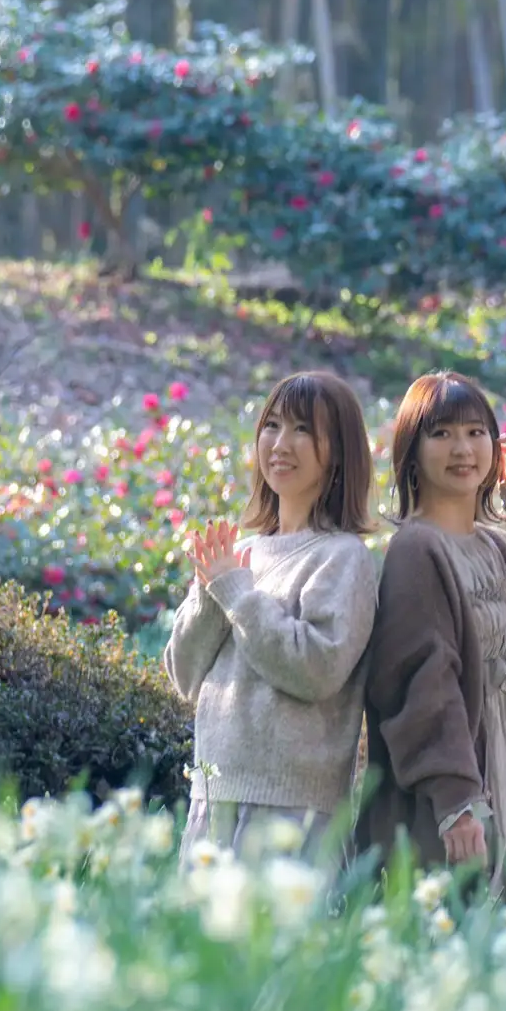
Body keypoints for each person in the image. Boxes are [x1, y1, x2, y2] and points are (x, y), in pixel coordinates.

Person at [358, 370, 506, 897]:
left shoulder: (494, 545)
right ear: (412, 450)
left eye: (475, 432)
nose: (462, 448)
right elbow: (421, 685)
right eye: (442, 433)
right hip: (467, 783)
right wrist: (457, 800)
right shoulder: (417, 551)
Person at [164, 368, 379, 863]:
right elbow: (184, 673)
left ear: (340, 452)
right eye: (273, 425)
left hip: (294, 814)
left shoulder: (343, 558)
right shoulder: (240, 553)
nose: (282, 443)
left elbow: (316, 669)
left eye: (304, 429)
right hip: (214, 799)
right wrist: (211, 590)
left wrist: (235, 593)